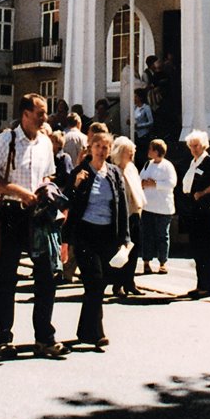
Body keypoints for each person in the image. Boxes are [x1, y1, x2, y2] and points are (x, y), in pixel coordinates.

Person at [0, 93, 66, 359]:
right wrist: (20, 192)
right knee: (7, 277)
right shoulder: (6, 140)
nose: (45, 118)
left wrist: (46, 188)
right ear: (25, 114)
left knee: (46, 276)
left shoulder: (44, 144)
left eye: (45, 113)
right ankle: (4, 338)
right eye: (40, 113)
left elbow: (48, 174)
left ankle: (45, 337)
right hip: (10, 215)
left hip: (37, 215)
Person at [66, 126, 130, 351]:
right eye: (97, 146)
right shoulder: (81, 172)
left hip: (106, 235)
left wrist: (125, 237)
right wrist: (74, 186)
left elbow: (122, 206)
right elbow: (68, 204)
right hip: (85, 234)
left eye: (105, 147)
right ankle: (97, 333)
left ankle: (85, 330)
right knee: (94, 281)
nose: (101, 151)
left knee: (99, 284)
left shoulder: (113, 173)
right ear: (89, 148)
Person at [181, 130, 210, 298]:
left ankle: (209, 287)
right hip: (194, 212)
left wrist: (202, 193)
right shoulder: (193, 162)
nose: (194, 149)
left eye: (197, 145)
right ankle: (201, 285)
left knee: (205, 249)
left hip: (205, 212)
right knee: (197, 249)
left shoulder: (209, 161)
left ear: (204, 145)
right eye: (191, 146)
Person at [110, 136, 145, 297]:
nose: (131, 155)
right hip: (121, 216)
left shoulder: (132, 168)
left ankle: (130, 282)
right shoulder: (114, 170)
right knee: (121, 250)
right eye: (128, 152)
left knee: (134, 250)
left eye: (132, 152)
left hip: (135, 213)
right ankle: (118, 284)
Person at [140, 138, 177, 274]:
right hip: (148, 206)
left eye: (151, 149)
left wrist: (156, 184)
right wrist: (143, 183)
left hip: (163, 208)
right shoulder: (147, 164)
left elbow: (172, 183)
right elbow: (140, 178)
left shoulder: (168, 166)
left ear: (156, 151)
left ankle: (162, 262)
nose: (148, 152)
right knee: (147, 235)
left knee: (162, 235)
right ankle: (146, 262)